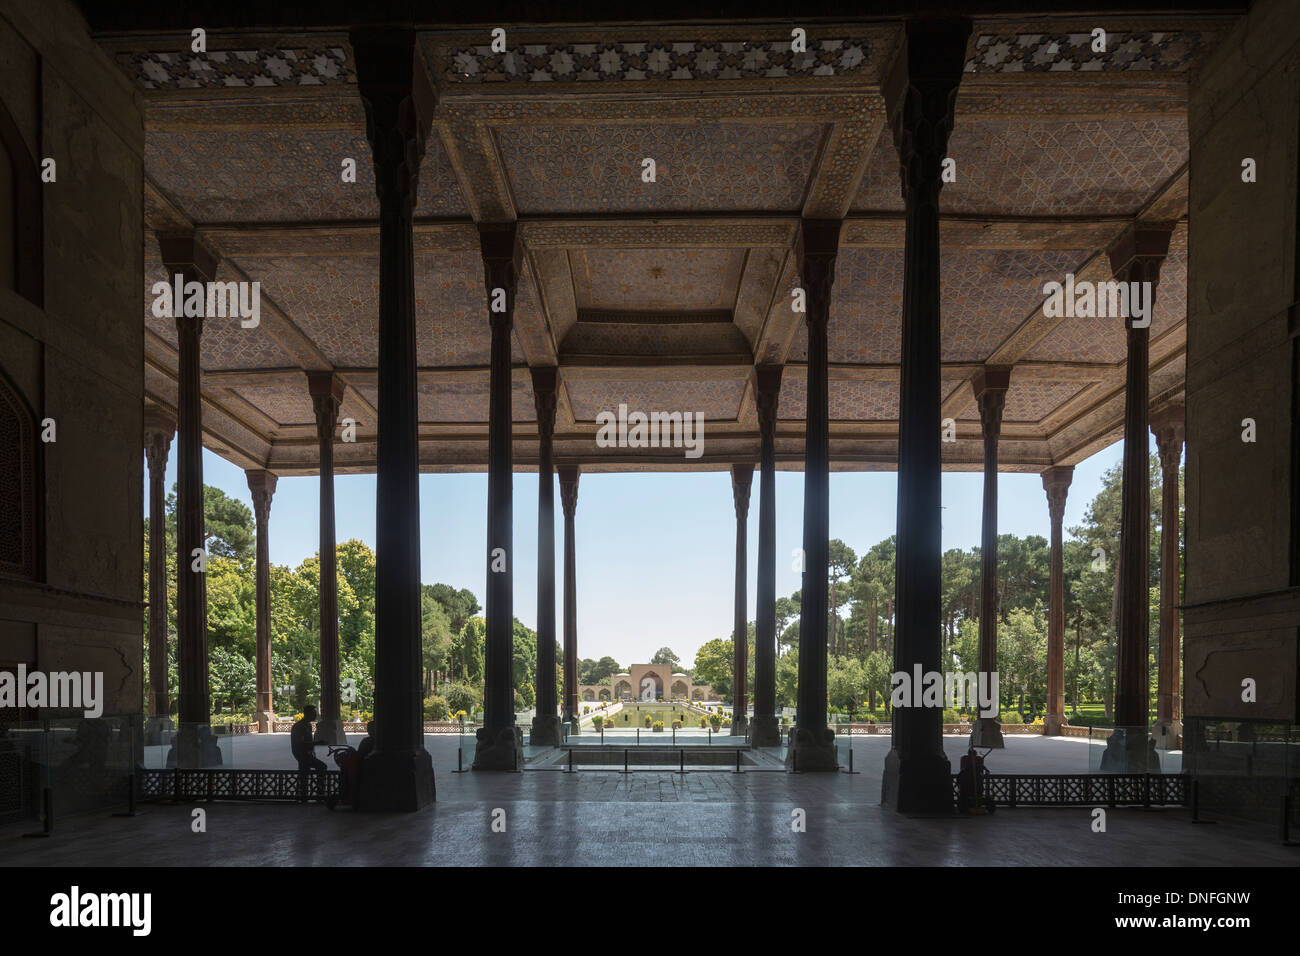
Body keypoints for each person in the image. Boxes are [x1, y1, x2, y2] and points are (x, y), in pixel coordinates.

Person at [291, 706, 326, 772]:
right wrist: (317, 743)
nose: (315, 715)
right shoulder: (299, 726)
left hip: (307, 753)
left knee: (304, 772)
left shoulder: (308, 725)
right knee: (322, 767)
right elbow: (300, 743)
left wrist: (312, 751)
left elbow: (308, 741)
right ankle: (320, 782)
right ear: (308, 714)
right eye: (314, 713)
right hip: (301, 753)